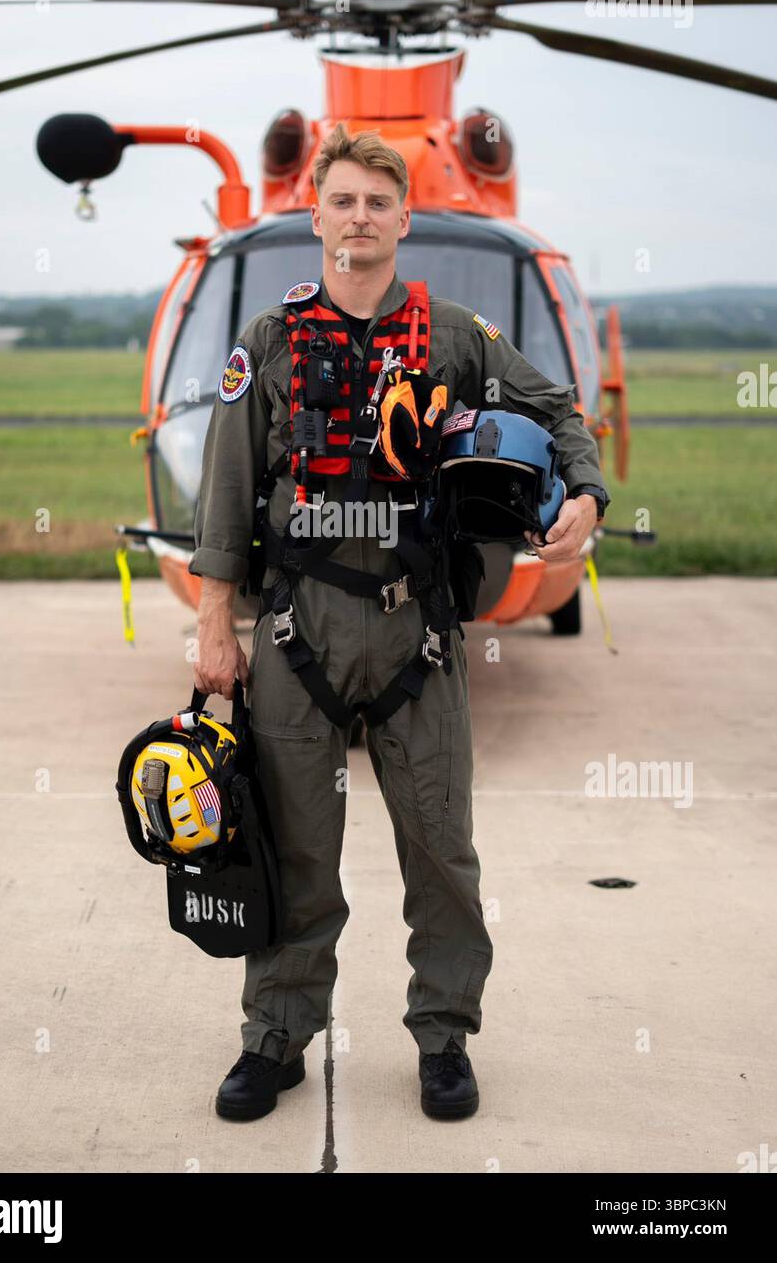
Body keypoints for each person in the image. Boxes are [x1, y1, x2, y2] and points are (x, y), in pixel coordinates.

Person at [190, 123, 610, 1122]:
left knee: (439, 849)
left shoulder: (459, 338)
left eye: (378, 203)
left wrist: (583, 494)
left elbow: (557, 414)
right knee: (293, 845)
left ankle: (442, 1035)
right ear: (316, 215)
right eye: (341, 201)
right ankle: (276, 1032)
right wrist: (216, 623)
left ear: (402, 219)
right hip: (299, 629)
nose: (359, 218)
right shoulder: (269, 341)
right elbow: (226, 489)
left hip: (416, 631)